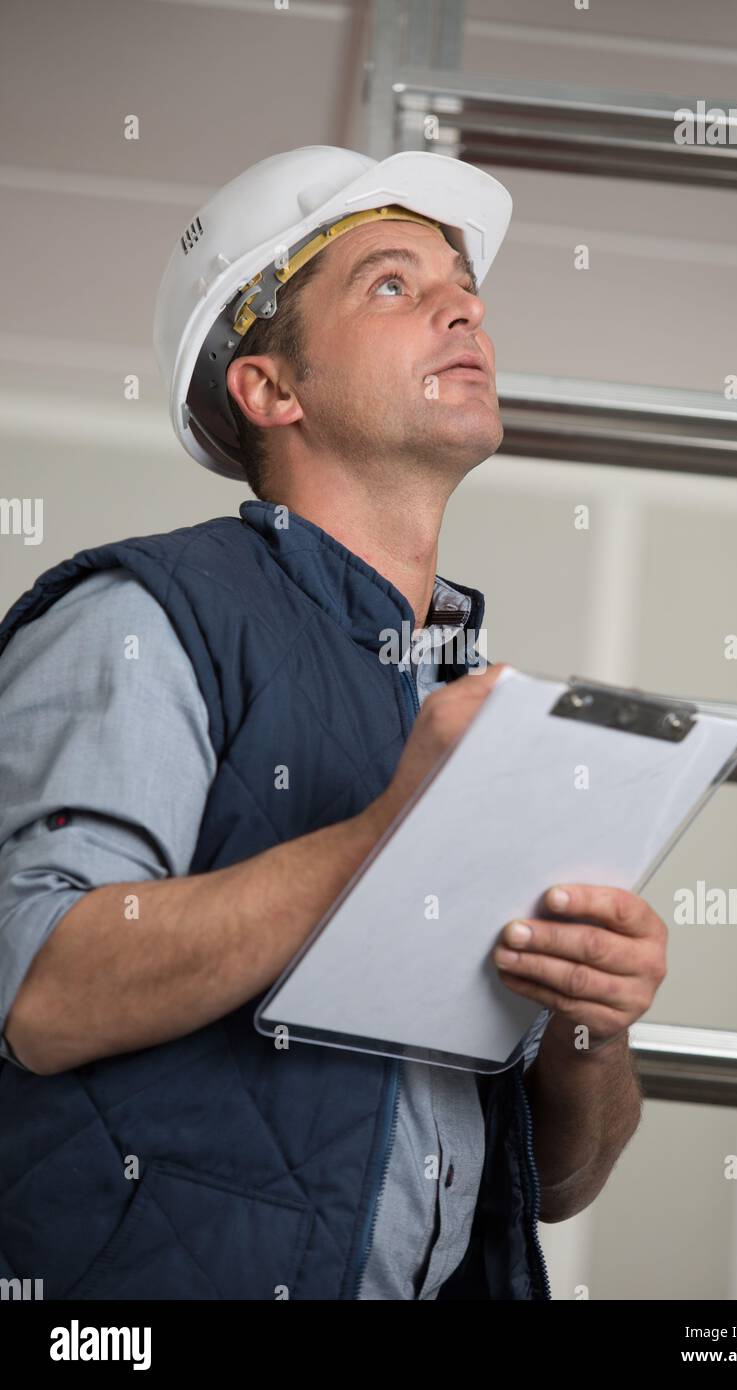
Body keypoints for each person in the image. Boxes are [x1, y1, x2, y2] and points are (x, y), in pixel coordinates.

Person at [0, 146, 663, 1300]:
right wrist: (380, 837)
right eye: (394, 285)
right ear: (271, 390)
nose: (464, 305)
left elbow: (554, 1182)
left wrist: (589, 1020)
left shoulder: (465, 705)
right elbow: (44, 997)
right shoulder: (145, 618)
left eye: (463, 287)